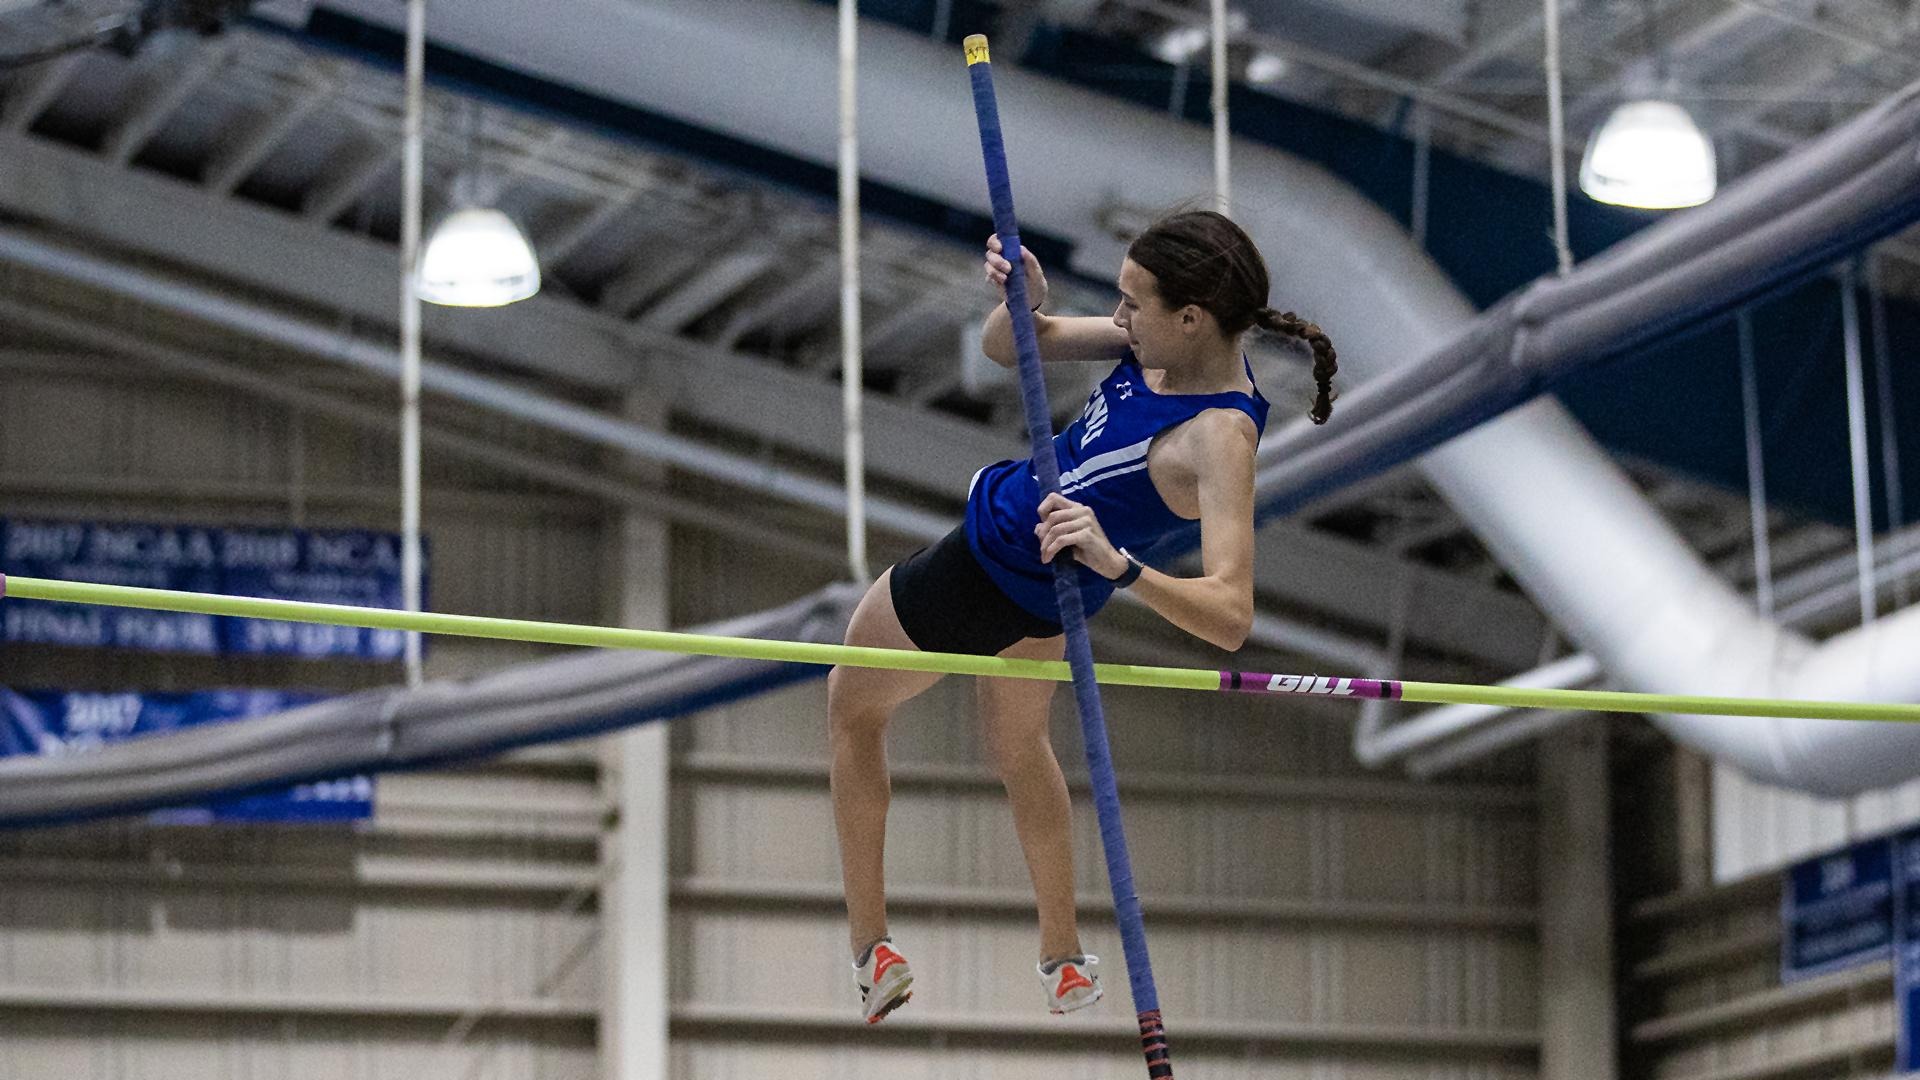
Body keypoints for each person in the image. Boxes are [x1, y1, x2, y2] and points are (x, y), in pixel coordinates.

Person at [828, 210, 1338, 1024]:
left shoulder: (1221, 438)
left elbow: (1231, 614)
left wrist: (1127, 566)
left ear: (1191, 317)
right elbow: (1010, 347)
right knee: (1018, 742)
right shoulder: (1156, 345)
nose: (1121, 316)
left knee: (851, 713)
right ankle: (1063, 960)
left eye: (1134, 302)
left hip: (989, 566)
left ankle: (869, 950)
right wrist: (1024, 301)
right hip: (1055, 590)